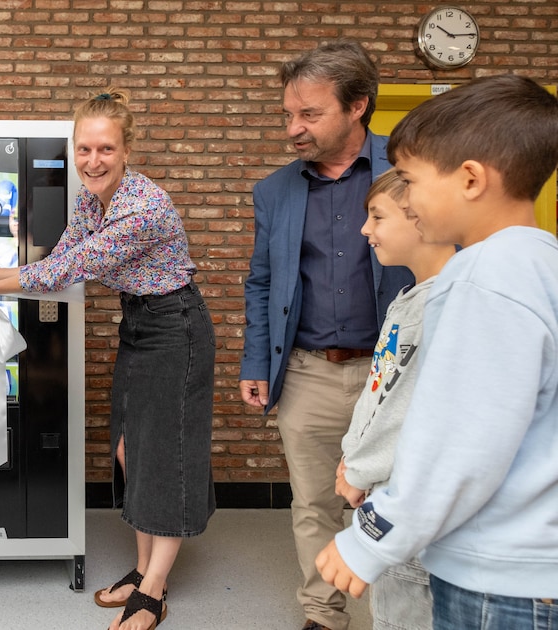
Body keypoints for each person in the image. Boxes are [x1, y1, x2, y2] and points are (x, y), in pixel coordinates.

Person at [0, 88, 216, 630]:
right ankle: (143, 571)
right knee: (126, 449)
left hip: (175, 328)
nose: (93, 161)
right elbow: (60, 256)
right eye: (84, 149)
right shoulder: (91, 200)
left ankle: (154, 592)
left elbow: (66, 272)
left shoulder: (144, 208)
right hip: (139, 324)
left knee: (160, 454)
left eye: (106, 150)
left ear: (127, 149)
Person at [316, 74, 558, 630]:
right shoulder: (535, 261)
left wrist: (372, 539)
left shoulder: (484, 278)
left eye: (412, 178)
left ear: (471, 179)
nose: (408, 197)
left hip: (498, 582)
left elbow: (460, 438)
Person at [239, 40, 414, 630]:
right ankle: (322, 614)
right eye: (288, 114)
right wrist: (256, 363)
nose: (294, 128)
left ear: (358, 105)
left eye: (309, 114)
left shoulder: (412, 168)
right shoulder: (275, 191)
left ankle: (397, 614)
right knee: (313, 502)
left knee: (397, 501)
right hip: (309, 371)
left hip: (395, 373)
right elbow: (261, 283)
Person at [333, 169, 453, 630]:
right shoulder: (410, 298)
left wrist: (359, 469)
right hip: (383, 492)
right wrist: (352, 457)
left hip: (408, 510)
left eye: (377, 216)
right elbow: (380, 393)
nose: (365, 229)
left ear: (417, 217)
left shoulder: (437, 307)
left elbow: (407, 411)